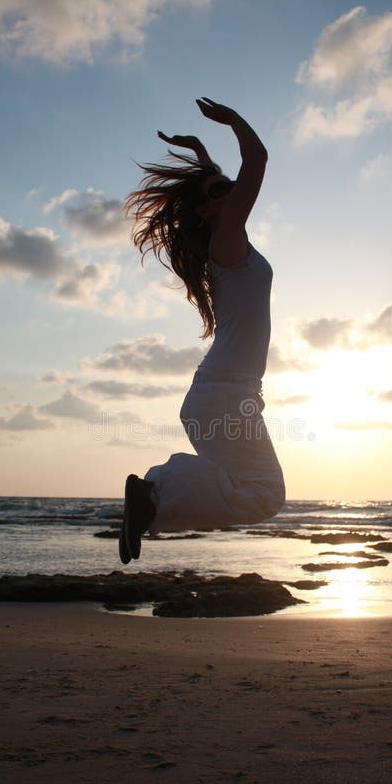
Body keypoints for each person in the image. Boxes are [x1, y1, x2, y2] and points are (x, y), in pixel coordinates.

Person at [119, 97, 285, 564]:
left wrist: (200, 154)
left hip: (222, 394)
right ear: (207, 213)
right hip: (225, 393)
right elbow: (257, 160)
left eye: (226, 187)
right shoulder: (226, 240)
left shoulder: (229, 241)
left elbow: (221, 187)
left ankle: (152, 498)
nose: (228, 191)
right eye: (218, 191)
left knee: (255, 489)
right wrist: (233, 120)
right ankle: (153, 496)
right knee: (264, 493)